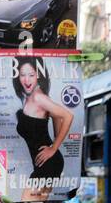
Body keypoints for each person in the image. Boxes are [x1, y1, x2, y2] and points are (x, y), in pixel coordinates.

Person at [12, 57, 73, 192]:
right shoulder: (28, 97)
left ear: (38, 75)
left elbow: (68, 116)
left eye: (31, 75)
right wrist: (54, 145)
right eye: (22, 75)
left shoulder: (39, 98)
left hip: (48, 164)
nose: (26, 80)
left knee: (27, 201)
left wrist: (53, 148)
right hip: (42, 164)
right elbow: (56, 117)